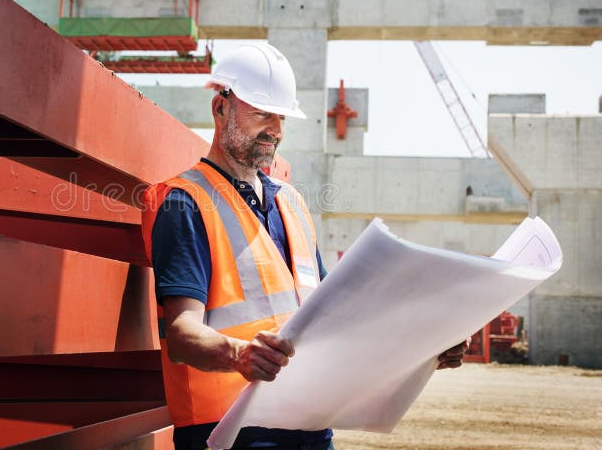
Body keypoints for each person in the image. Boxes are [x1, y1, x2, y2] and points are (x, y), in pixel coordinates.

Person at [141, 44, 468, 449]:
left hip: (310, 428)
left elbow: (338, 320)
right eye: (262, 113)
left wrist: (427, 345)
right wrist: (239, 355)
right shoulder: (184, 202)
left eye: (281, 116)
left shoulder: (292, 204)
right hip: (229, 433)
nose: (275, 129)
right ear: (220, 107)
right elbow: (181, 333)